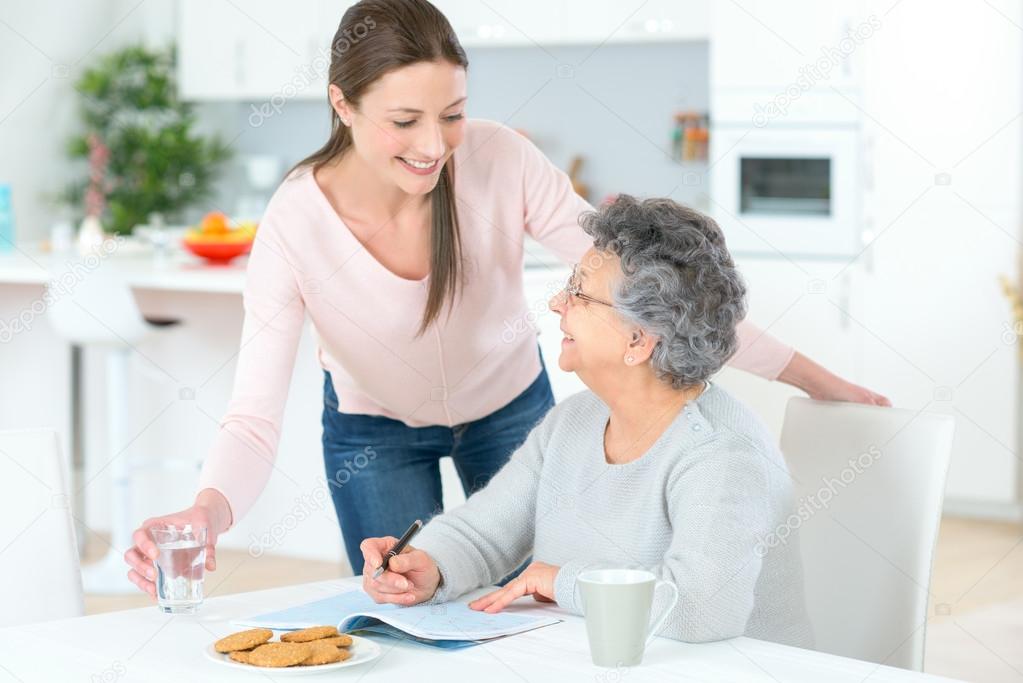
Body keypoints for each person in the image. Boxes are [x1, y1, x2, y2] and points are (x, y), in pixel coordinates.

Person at [124, 0, 886, 596]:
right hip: (372, 434)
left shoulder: (499, 160)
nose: (433, 144)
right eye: (404, 120)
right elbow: (254, 416)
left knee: (530, 602)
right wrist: (207, 510)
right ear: (342, 106)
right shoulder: (295, 221)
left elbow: (653, 290)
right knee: (405, 598)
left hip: (511, 416)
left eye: (451, 115)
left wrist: (820, 382)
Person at [360, 196, 813, 647]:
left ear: (638, 339)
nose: (558, 303)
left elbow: (701, 610)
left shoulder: (723, 452)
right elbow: (483, 534)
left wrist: (561, 583)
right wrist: (429, 567)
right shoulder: (575, 420)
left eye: (578, 292)